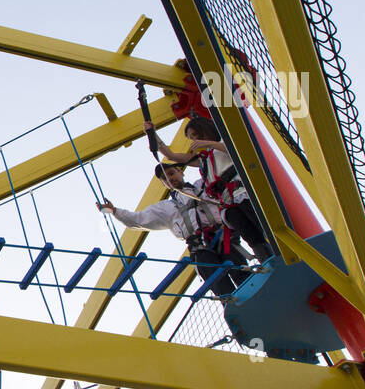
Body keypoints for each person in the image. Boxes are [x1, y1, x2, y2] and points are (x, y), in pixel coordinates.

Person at [98, 164, 249, 296]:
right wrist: (115, 211)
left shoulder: (203, 185)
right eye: (165, 178)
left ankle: (255, 297)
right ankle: (234, 308)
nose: (170, 178)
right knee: (222, 289)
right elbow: (138, 220)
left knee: (244, 277)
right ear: (164, 184)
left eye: (171, 173)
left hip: (224, 239)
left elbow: (223, 176)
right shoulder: (167, 207)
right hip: (200, 250)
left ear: (181, 172)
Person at [146, 116, 273, 264]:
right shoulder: (204, 159)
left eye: (195, 135)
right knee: (249, 234)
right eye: (191, 137)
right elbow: (171, 155)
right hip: (227, 203)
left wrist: (207, 143)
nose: (194, 140)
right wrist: (152, 135)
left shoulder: (222, 144)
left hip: (240, 193)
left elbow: (234, 148)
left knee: (261, 224)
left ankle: (276, 248)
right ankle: (266, 258)